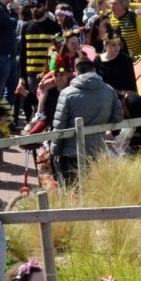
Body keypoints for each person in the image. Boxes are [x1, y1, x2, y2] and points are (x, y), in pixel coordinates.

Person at [51, 57, 122, 185]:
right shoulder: (109, 90)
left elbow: (59, 127)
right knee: (94, 189)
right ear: (94, 70)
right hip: (98, 150)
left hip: (71, 152)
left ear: (75, 72)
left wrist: (54, 151)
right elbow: (118, 117)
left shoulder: (66, 94)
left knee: (71, 192)